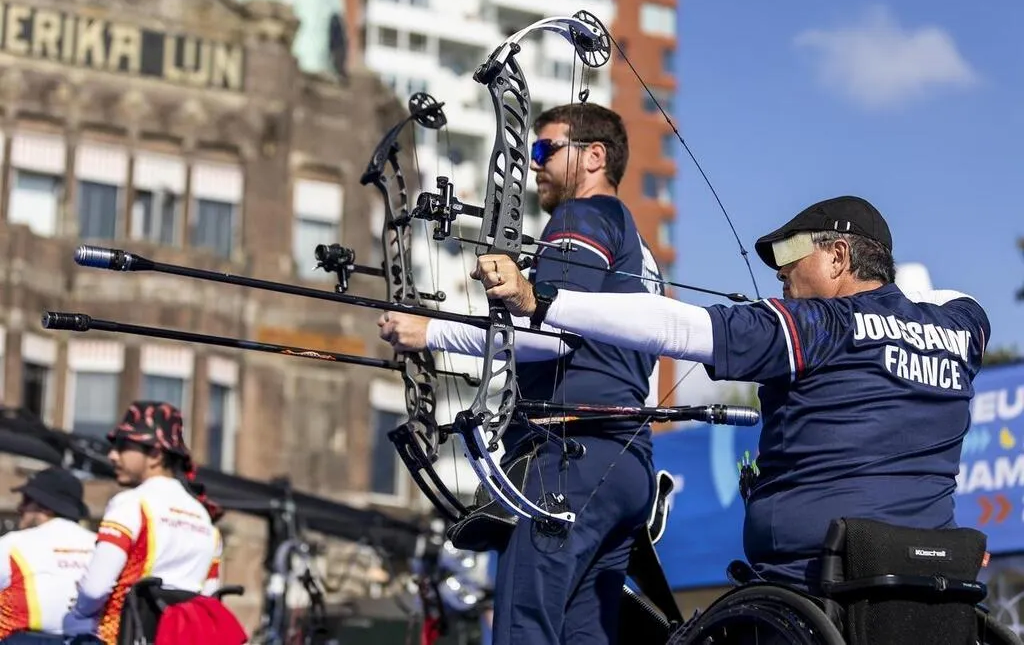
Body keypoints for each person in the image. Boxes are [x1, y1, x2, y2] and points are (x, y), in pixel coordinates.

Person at [474, 195, 990, 593]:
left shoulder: (816, 325)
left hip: (814, 580)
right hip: (933, 580)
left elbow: (674, 327)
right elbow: (957, 297)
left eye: (791, 252)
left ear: (838, 257)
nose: (780, 271)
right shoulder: (961, 329)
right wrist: (895, 307)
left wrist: (539, 300)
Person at [378, 103, 662, 645]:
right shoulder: (641, 250)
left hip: (569, 460)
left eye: (545, 149)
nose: (533, 163)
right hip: (627, 466)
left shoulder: (582, 219)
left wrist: (429, 331)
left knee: (523, 629)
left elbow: (548, 336)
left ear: (595, 156)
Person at [62, 401, 224, 645]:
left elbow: (94, 589)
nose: (112, 455)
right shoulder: (206, 520)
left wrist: (77, 614)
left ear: (156, 455)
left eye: (123, 446)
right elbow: (210, 598)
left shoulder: (131, 504)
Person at [0, 467, 96, 643]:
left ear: (46, 506)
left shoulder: (13, 543)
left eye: (26, 500)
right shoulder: (99, 544)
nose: (20, 507)